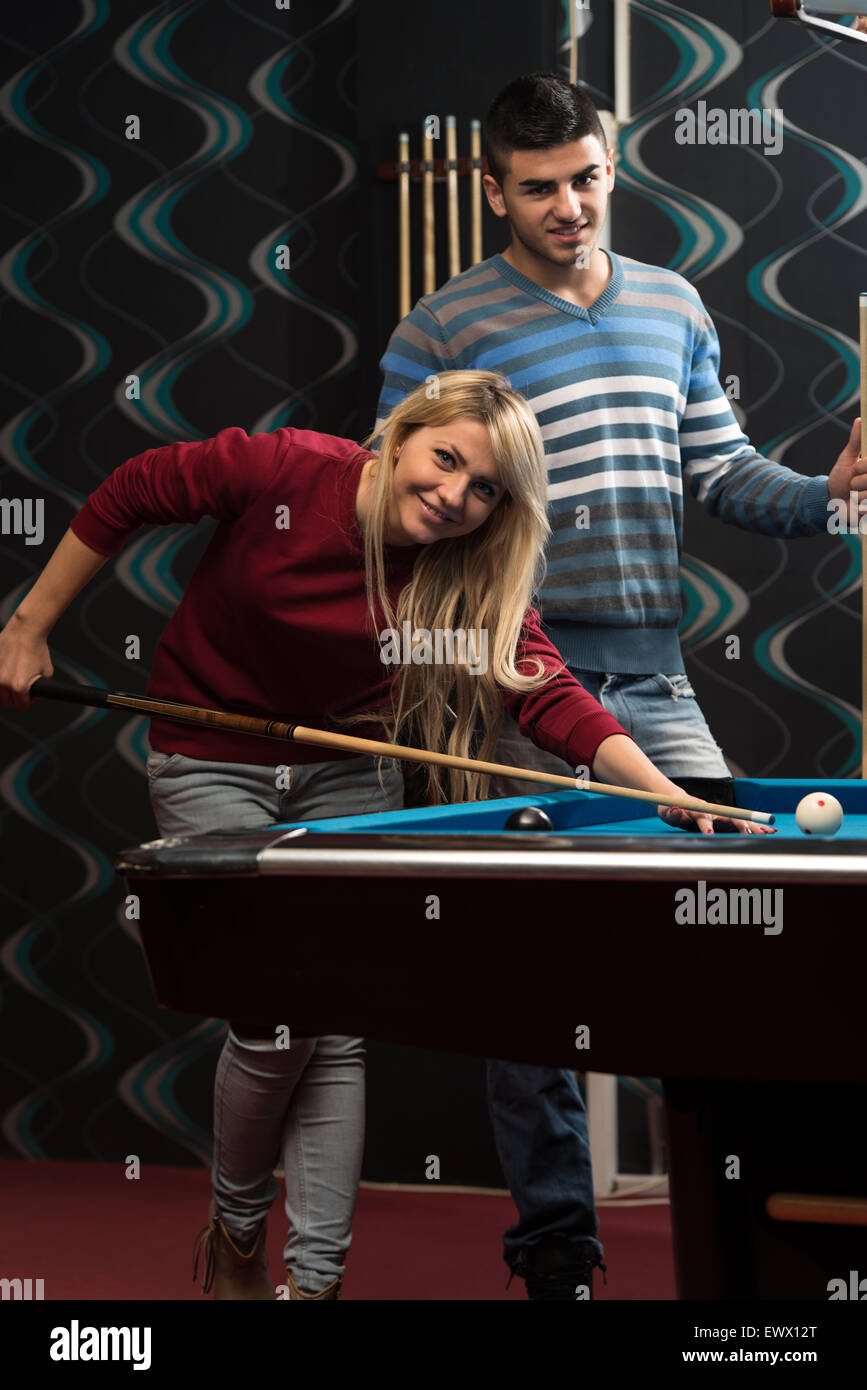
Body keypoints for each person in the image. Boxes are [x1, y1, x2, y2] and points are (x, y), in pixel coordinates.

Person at [0, 372, 768, 1302]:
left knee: (336, 1025)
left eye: (483, 489)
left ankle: (313, 1283)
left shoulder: (469, 569)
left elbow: (549, 692)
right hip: (209, 756)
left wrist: (662, 795)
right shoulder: (283, 471)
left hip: (349, 765)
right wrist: (31, 626)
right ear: (403, 436)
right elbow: (134, 489)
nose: (453, 497)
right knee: (275, 1020)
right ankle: (239, 1227)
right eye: (446, 460)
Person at [374, 74, 866, 1300]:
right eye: (538, 187)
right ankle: (558, 1261)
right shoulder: (443, 327)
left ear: (611, 165)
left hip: (652, 672)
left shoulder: (673, 303)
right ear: (493, 190)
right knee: (529, 987)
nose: (570, 206)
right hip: (516, 679)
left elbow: (728, 474)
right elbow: (394, 509)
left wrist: (841, 496)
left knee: (731, 944)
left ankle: (751, 1229)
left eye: (586, 177)